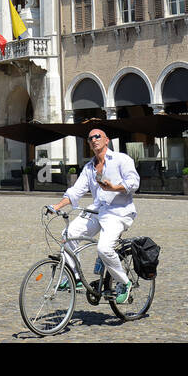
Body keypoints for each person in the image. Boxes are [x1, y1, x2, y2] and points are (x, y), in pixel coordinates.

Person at [48, 128, 140, 303]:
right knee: (68, 235)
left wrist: (114, 187)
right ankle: (75, 278)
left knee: (104, 248)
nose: (94, 139)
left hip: (118, 212)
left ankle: (124, 282)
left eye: (97, 136)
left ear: (107, 140)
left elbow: (134, 182)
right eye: (90, 138)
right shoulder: (90, 167)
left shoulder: (121, 159)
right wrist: (57, 206)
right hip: (97, 210)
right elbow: (76, 191)